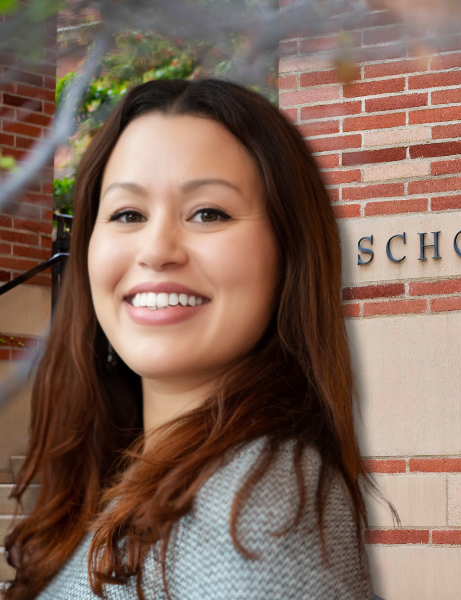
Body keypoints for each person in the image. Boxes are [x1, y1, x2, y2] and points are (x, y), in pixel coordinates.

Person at [3, 78, 376, 599]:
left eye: (208, 213)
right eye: (128, 214)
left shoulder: (256, 513)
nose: (157, 250)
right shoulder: (134, 470)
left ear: (289, 252)